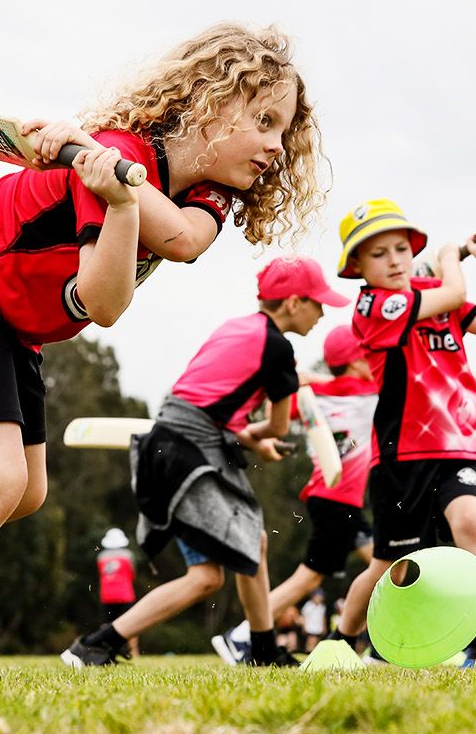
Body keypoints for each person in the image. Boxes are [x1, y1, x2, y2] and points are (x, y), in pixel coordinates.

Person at [0, 24, 323, 686]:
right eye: (265, 120)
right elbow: (103, 303)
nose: (276, 144)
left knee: (24, 490)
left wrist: (111, 181)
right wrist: (112, 184)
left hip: (10, 320)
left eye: (285, 128)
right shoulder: (119, 154)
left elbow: (181, 240)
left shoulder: (200, 195)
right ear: (208, 104)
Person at [60, 257, 350, 668]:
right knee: (250, 539)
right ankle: (260, 650)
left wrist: (252, 441)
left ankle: (97, 645)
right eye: (318, 304)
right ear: (293, 303)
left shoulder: (236, 329)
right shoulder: (278, 347)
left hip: (170, 444)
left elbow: (216, 412)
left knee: (210, 575)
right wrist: (265, 439)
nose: (322, 313)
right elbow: (279, 426)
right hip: (189, 452)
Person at [325, 199, 476, 668]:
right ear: (359, 267)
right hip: (402, 453)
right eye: (379, 254)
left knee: (472, 524)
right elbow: (448, 295)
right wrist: (451, 256)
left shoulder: (434, 292)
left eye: (401, 249)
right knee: (391, 564)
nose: (394, 261)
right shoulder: (375, 305)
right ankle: (342, 643)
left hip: (459, 443)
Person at [211, 325, 378, 664]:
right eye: (367, 356)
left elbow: (292, 389)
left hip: (331, 496)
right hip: (337, 499)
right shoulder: (365, 391)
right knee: (309, 576)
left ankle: (385, 649)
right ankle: (241, 636)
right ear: (358, 360)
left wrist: (305, 376)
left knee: (388, 565)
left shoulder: (319, 395)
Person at [96, 528, 139, 658]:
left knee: (108, 624)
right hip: (125, 594)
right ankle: (133, 651)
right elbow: (132, 574)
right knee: (132, 622)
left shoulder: (101, 557)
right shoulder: (128, 555)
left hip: (107, 595)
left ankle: (106, 650)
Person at [300, 588, 328, 653]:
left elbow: (323, 618)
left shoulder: (322, 607)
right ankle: (308, 654)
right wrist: (304, 627)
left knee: (317, 643)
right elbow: (304, 617)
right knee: (311, 642)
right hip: (310, 628)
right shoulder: (308, 605)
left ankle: (312, 655)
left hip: (318, 628)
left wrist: (324, 627)